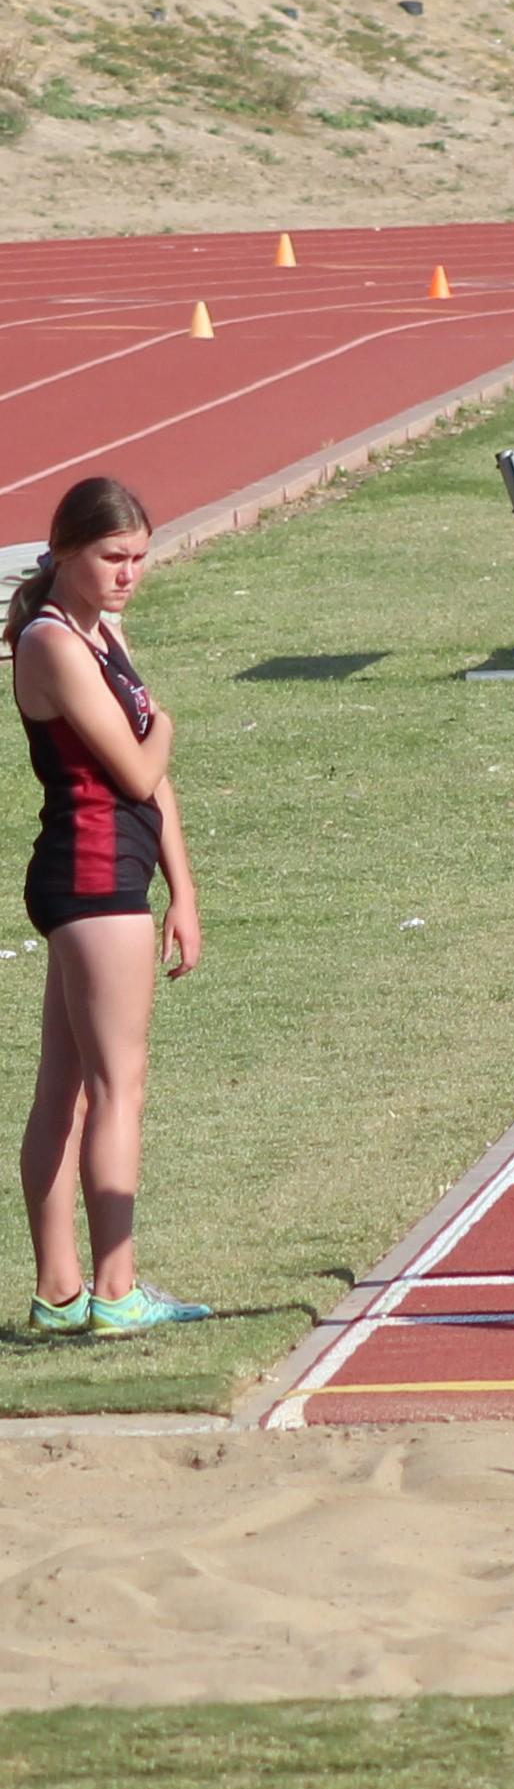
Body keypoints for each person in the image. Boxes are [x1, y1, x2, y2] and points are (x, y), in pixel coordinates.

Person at [6, 477, 209, 1337]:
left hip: (111, 880)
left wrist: (184, 890)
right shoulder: (52, 643)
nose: (130, 574)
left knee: (70, 1089)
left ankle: (58, 1297)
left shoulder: (99, 632)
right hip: (91, 880)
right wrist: (165, 725)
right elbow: (136, 770)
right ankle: (115, 1291)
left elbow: (151, 784)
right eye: (113, 558)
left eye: (139, 558)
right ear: (65, 554)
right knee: (114, 1085)